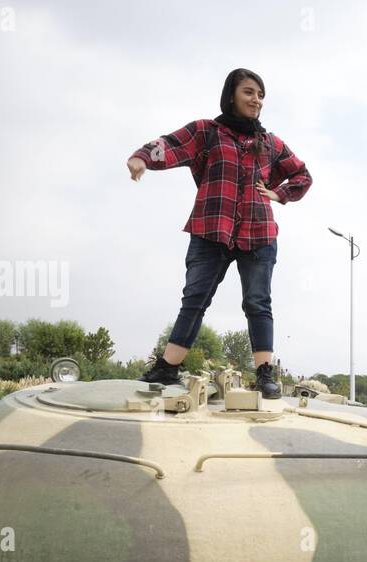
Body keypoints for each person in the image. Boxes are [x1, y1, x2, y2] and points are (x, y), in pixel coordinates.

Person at [127, 68, 312, 397]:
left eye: (260, 95)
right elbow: (170, 144)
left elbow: (302, 175)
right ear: (231, 96)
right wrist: (142, 158)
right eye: (249, 92)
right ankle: (167, 369)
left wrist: (279, 193)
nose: (256, 100)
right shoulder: (206, 132)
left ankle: (265, 374)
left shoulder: (269, 143)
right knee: (195, 299)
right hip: (212, 227)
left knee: (258, 302)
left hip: (259, 233)